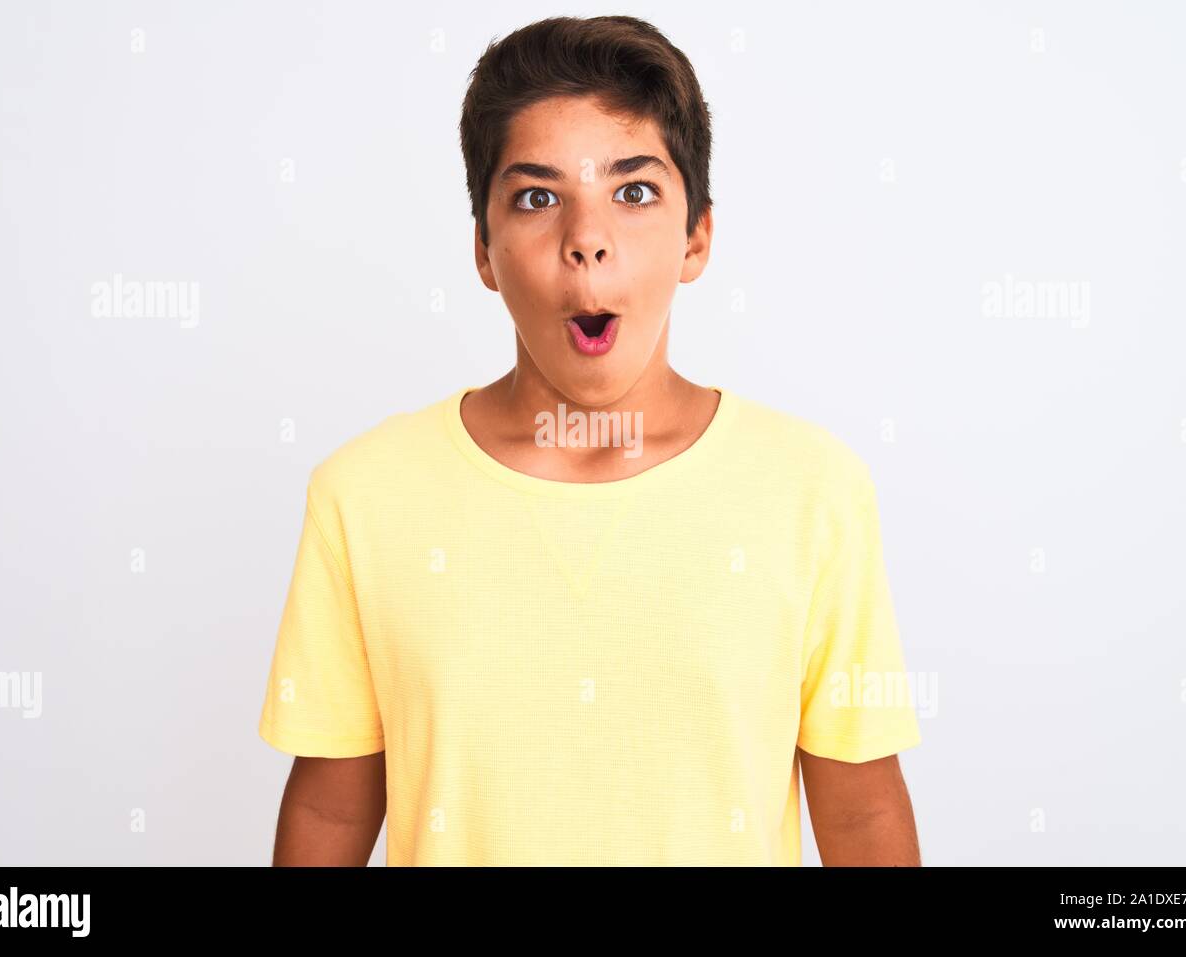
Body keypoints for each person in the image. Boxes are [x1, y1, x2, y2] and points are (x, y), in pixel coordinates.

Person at [258, 14, 922, 866]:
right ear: (484, 250)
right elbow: (329, 816)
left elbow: (863, 814)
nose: (587, 240)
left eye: (634, 191)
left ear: (698, 237)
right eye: (537, 197)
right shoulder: (364, 495)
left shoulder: (813, 490)